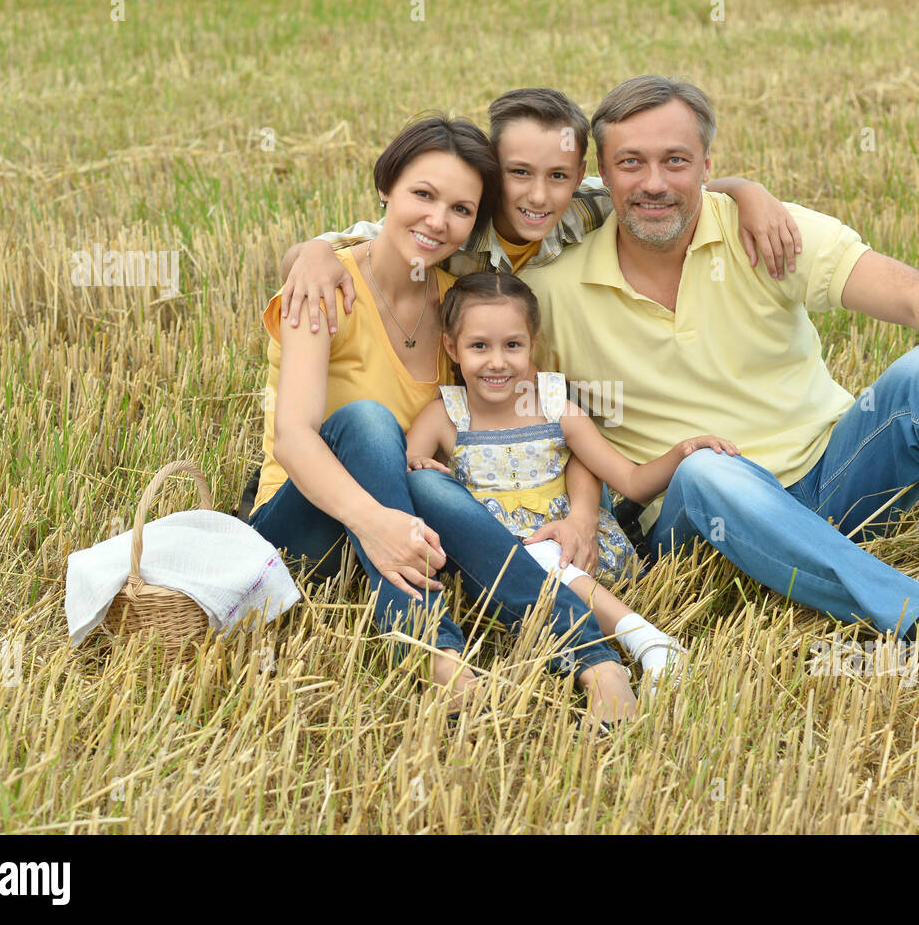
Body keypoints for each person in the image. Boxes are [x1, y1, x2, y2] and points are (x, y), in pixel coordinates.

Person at [518, 75, 919, 677]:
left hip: (833, 481)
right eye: (631, 163)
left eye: (676, 161)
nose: (654, 182)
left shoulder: (768, 232)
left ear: (708, 167)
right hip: (700, 522)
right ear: (600, 175)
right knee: (706, 465)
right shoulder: (547, 294)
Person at [276, 87, 801, 577]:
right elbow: (375, 236)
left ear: (578, 179)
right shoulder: (453, 236)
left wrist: (745, 191)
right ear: (490, 177)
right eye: (518, 173)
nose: (539, 195)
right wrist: (314, 252)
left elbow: (663, 192)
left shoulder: (587, 209)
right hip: (371, 467)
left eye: (558, 177)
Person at [246, 115, 639, 724]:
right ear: (387, 190)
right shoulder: (326, 289)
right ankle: (439, 654)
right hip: (309, 527)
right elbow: (295, 440)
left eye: (460, 209)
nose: (437, 221)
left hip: (418, 534)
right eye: (422, 195)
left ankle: (597, 662)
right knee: (369, 422)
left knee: (428, 479)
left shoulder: (464, 308)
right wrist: (372, 520)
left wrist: (744, 193)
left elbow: (551, 421)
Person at [405, 271, 739, 687]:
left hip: (573, 552)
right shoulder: (444, 416)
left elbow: (631, 481)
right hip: (495, 566)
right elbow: (409, 478)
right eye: (479, 346)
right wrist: (422, 465)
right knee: (532, 555)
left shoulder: (554, 408)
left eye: (513, 345)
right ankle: (651, 643)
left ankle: (650, 645)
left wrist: (681, 453)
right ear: (452, 348)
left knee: (546, 554)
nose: (497, 361)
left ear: (533, 344)